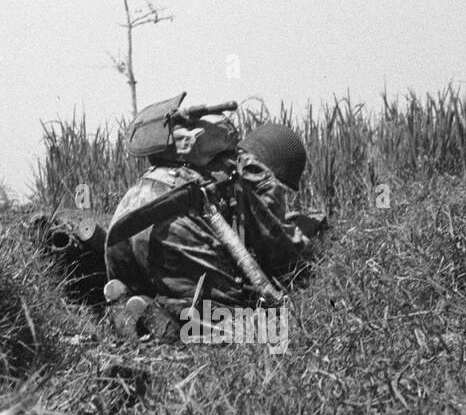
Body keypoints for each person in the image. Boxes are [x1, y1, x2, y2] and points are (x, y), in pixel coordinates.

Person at [104, 117, 325, 341]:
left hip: (128, 215)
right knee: (258, 326)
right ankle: (171, 322)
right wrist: (314, 253)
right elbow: (282, 252)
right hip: (174, 225)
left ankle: (131, 307)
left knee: (176, 287)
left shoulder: (205, 165)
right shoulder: (254, 172)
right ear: (280, 166)